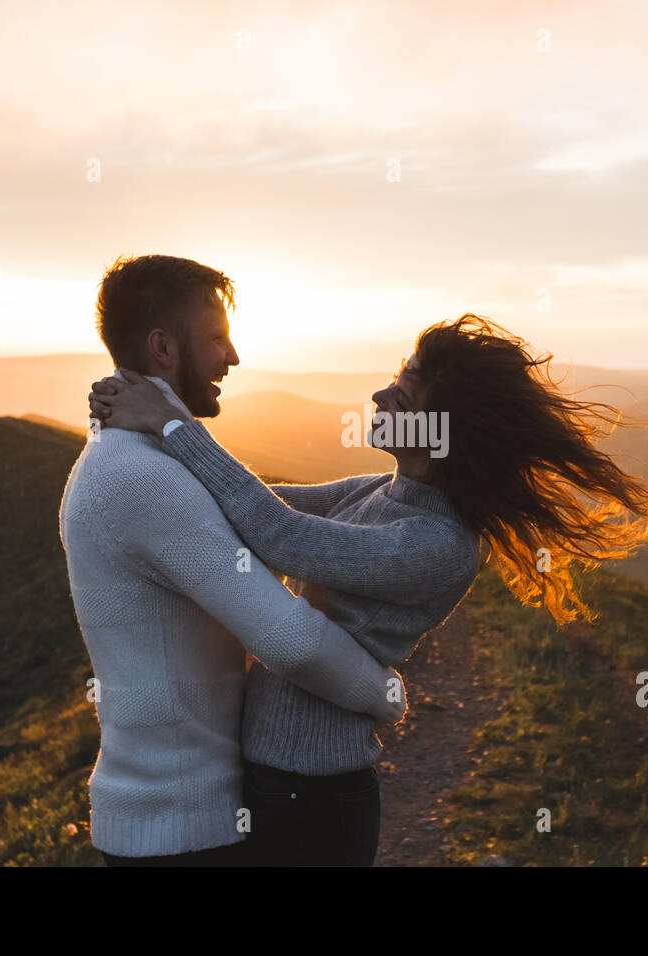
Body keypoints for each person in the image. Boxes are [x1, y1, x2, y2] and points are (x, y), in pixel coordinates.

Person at [88, 312, 648, 865]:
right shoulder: (384, 489)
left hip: (313, 797)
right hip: (274, 782)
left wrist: (171, 422)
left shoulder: (437, 543)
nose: (377, 397)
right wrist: (145, 432)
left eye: (402, 393)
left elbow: (282, 536)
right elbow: (260, 502)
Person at [59, 254, 406, 867]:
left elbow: (260, 507)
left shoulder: (126, 461)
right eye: (216, 338)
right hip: (183, 832)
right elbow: (288, 637)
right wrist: (386, 695)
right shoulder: (143, 480)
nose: (234, 357)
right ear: (162, 346)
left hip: (161, 820)